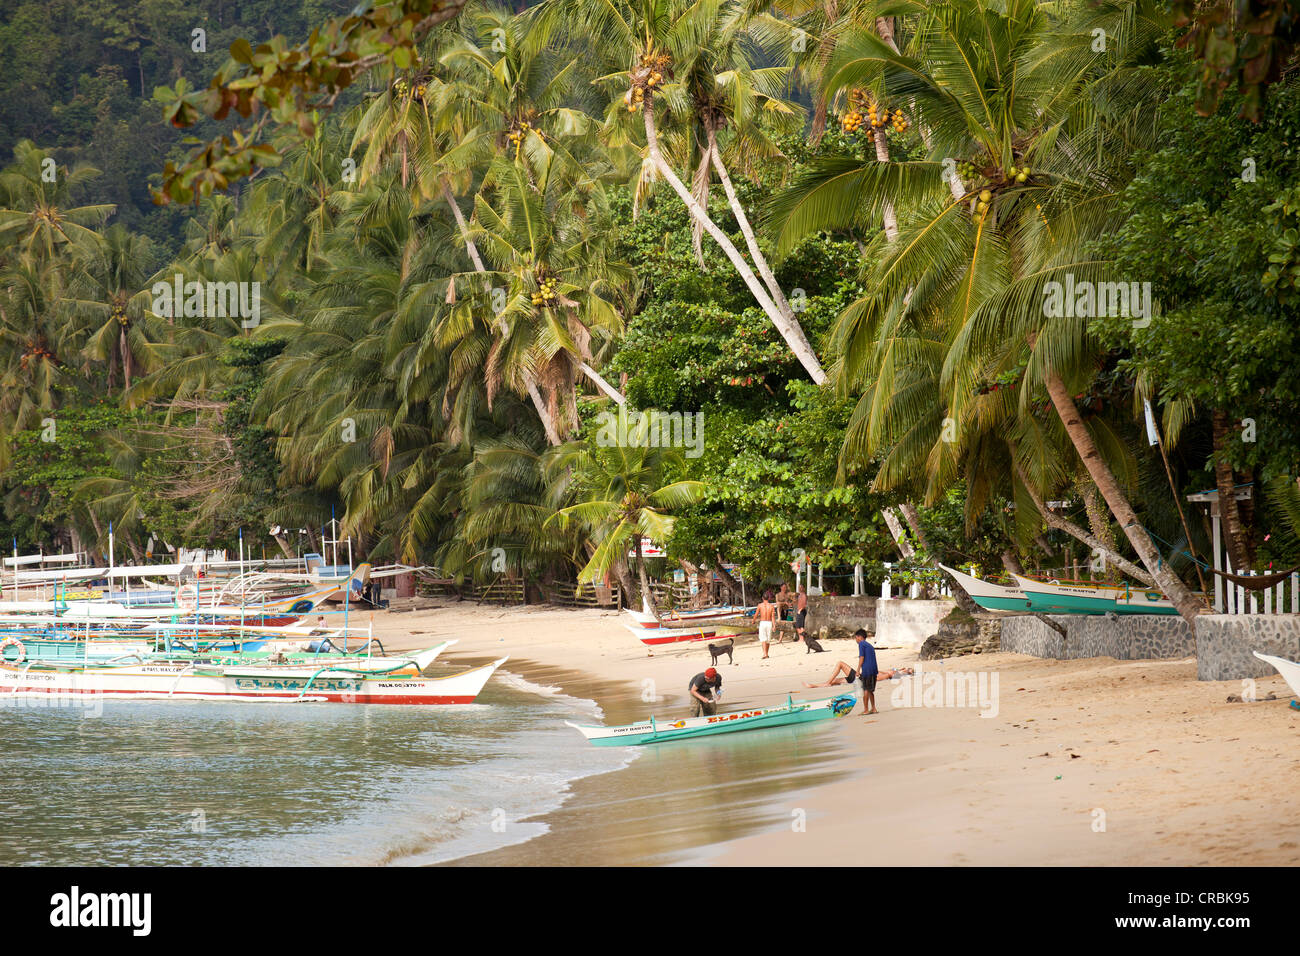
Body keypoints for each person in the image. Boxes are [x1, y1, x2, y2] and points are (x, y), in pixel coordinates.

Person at [803, 661, 913, 688]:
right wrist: (901, 669)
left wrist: (900, 671)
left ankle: (826, 683)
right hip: (860, 678)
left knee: (840, 663)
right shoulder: (891, 672)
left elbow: (877, 676)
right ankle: (816, 685)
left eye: (907, 670)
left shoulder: (890, 674)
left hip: (860, 678)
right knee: (835, 681)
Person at [855, 627, 879, 716]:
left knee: (865, 689)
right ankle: (873, 708)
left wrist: (858, 669)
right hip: (874, 670)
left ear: (860, 637)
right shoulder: (870, 645)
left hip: (867, 670)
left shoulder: (861, 644)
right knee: (870, 690)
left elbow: (862, 657)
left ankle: (865, 710)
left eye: (856, 638)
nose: (856, 640)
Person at [756, 591, 776, 659]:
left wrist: (753, 621)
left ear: (762, 598)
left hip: (763, 622)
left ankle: (765, 654)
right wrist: (774, 626)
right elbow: (773, 617)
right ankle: (766, 653)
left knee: (763, 639)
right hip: (769, 623)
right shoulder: (771, 606)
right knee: (768, 639)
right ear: (769, 598)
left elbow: (756, 614)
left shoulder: (760, 605)